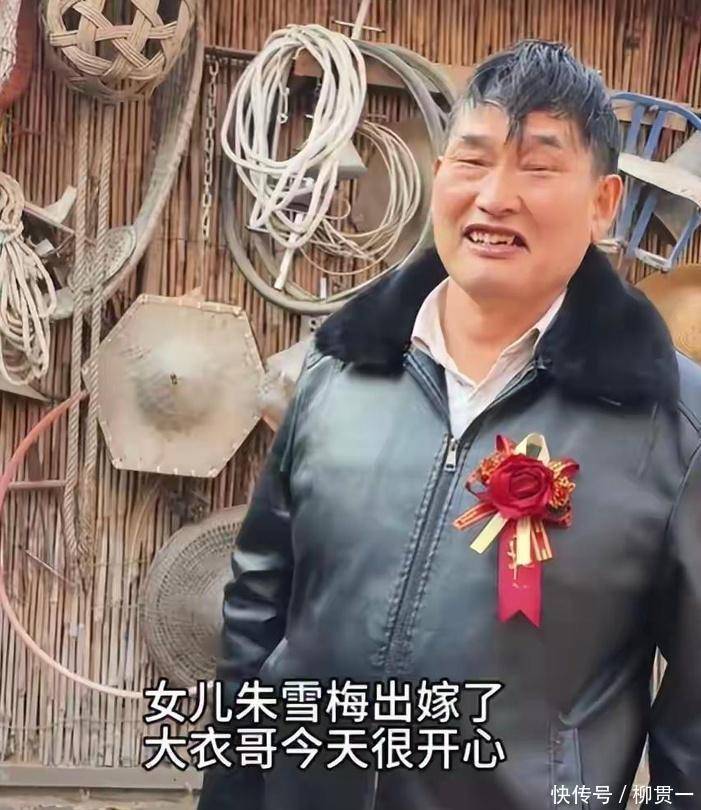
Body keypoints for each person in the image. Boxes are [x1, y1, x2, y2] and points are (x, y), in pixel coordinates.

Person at [198, 39, 701, 810]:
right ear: (439, 176)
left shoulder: (672, 422)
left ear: (602, 204)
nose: (494, 197)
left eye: (537, 167)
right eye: (472, 160)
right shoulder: (340, 369)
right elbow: (259, 601)